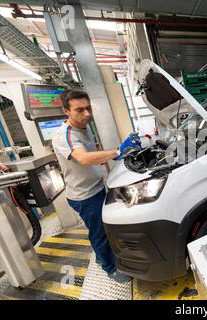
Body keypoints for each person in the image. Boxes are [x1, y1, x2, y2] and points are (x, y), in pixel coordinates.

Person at [52, 89, 141, 283]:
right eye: (79, 110)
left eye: (88, 108)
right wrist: (117, 150)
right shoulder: (64, 136)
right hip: (84, 196)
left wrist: (119, 154)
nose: (87, 114)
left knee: (107, 228)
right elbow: (83, 158)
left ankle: (110, 257)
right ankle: (108, 266)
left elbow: (92, 154)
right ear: (66, 111)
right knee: (99, 233)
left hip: (97, 187)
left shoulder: (84, 127)